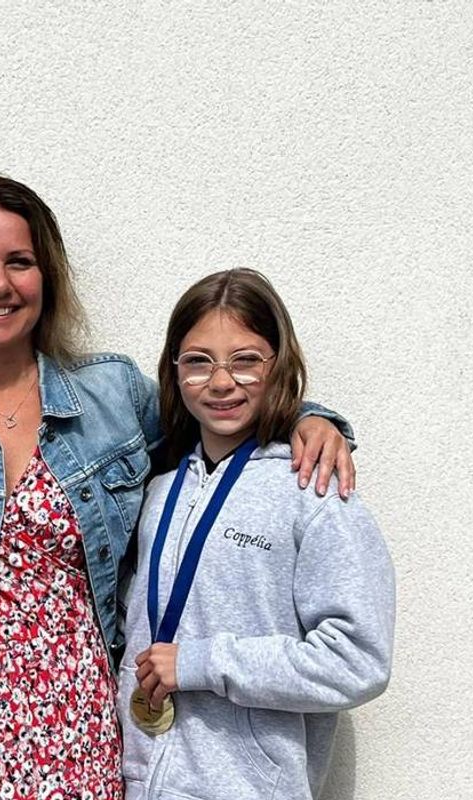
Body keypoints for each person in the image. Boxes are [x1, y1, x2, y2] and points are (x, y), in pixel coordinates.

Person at [0, 176, 355, 800]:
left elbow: (218, 414)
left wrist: (308, 417)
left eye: (19, 262)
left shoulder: (112, 397)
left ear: (46, 276)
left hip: (85, 743)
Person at [120, 269, 393, 800]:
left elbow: (358, 660)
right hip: (136, 782)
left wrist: (202, 663)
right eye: (198, 361)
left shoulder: (313, 490)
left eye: (245, 360)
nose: (221, 382)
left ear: (278, 365)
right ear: (174, 372)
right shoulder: (157, 491)